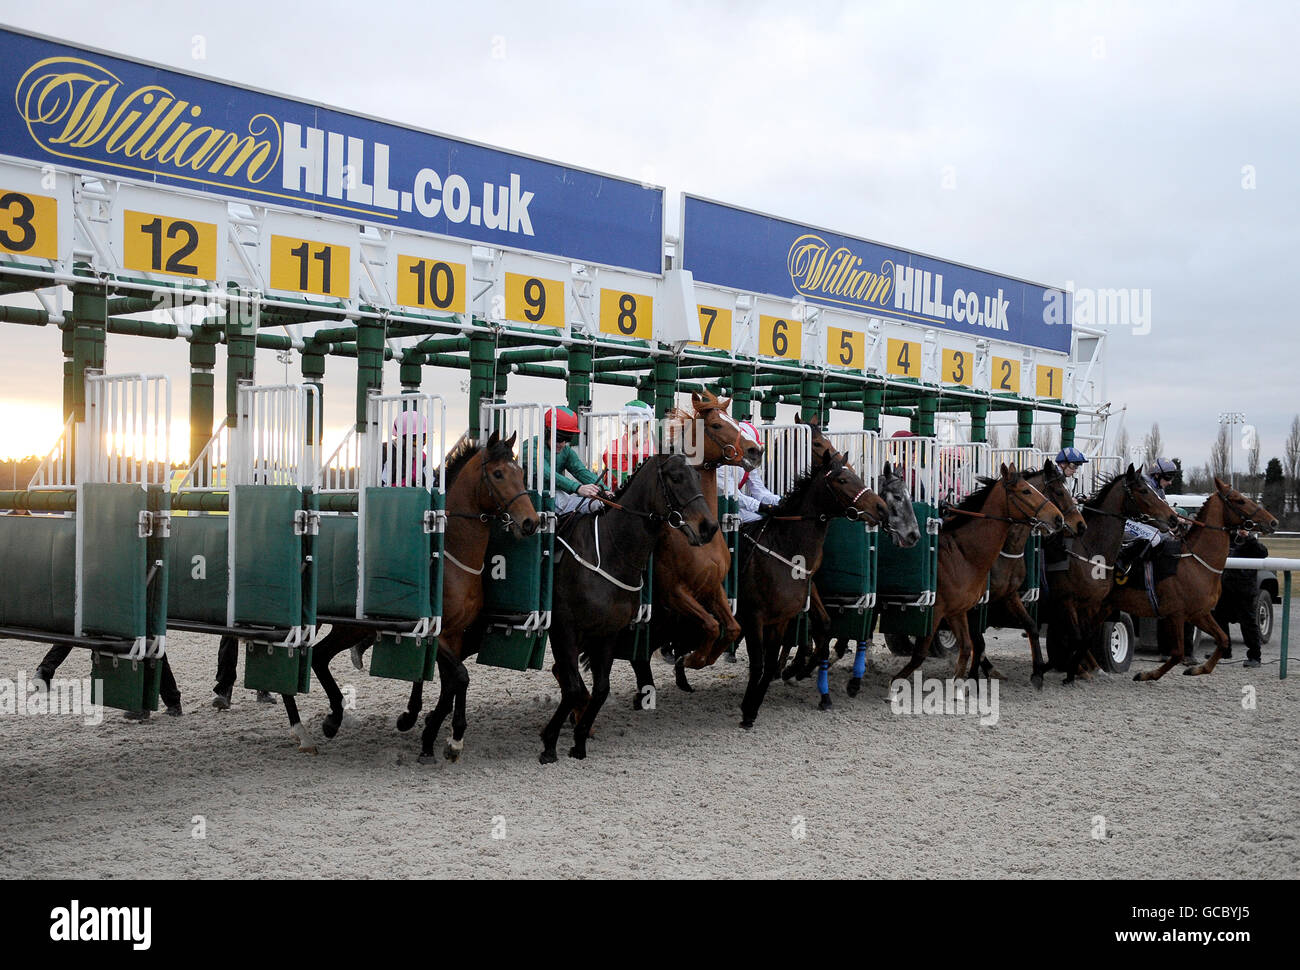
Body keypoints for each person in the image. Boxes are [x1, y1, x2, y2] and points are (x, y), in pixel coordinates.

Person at [521, 406, 606, 515]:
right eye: (559, 438)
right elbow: (545, 472)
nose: (562, 444)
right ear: (546, 431)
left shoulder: (566, 451)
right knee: (562, 500)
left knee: (599, 504)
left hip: (556, 497)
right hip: (529, 499)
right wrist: (578, 488)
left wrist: (604, 490)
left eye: (567, 439)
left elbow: (580, 471)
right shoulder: (529, 446)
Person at [1211, 527, 1269, 667]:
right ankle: (1224, 650)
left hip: (1244, 589)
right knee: (1219, 618)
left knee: (1248, 623)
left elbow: (1263, 553)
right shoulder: (1227, 538)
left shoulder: (1251, 542)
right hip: (1225, 587)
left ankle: (1255, 656)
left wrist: (1248, 537)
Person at [1116, 457, 1177, 578]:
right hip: (1129, 521)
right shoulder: (1147, 485)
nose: (1170, 482)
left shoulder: (1160, 489)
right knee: (1155, 538)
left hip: (1142, 523)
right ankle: (1123, 560)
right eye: (1168, 477)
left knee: (1168, 536)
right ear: (1157, 475)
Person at [716, 421, 781, 523]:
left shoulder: (747, 463)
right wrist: (761, 507)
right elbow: (732, 495)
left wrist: (781, 501)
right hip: (715, 508)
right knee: (759, 519)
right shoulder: (721, 464)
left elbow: (760, 492)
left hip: (733, 506)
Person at [601, 400, 655, 489]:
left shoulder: (651, 447)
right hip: (616, 496)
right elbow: (623, 480)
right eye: (646, 424)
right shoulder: (614, 448)